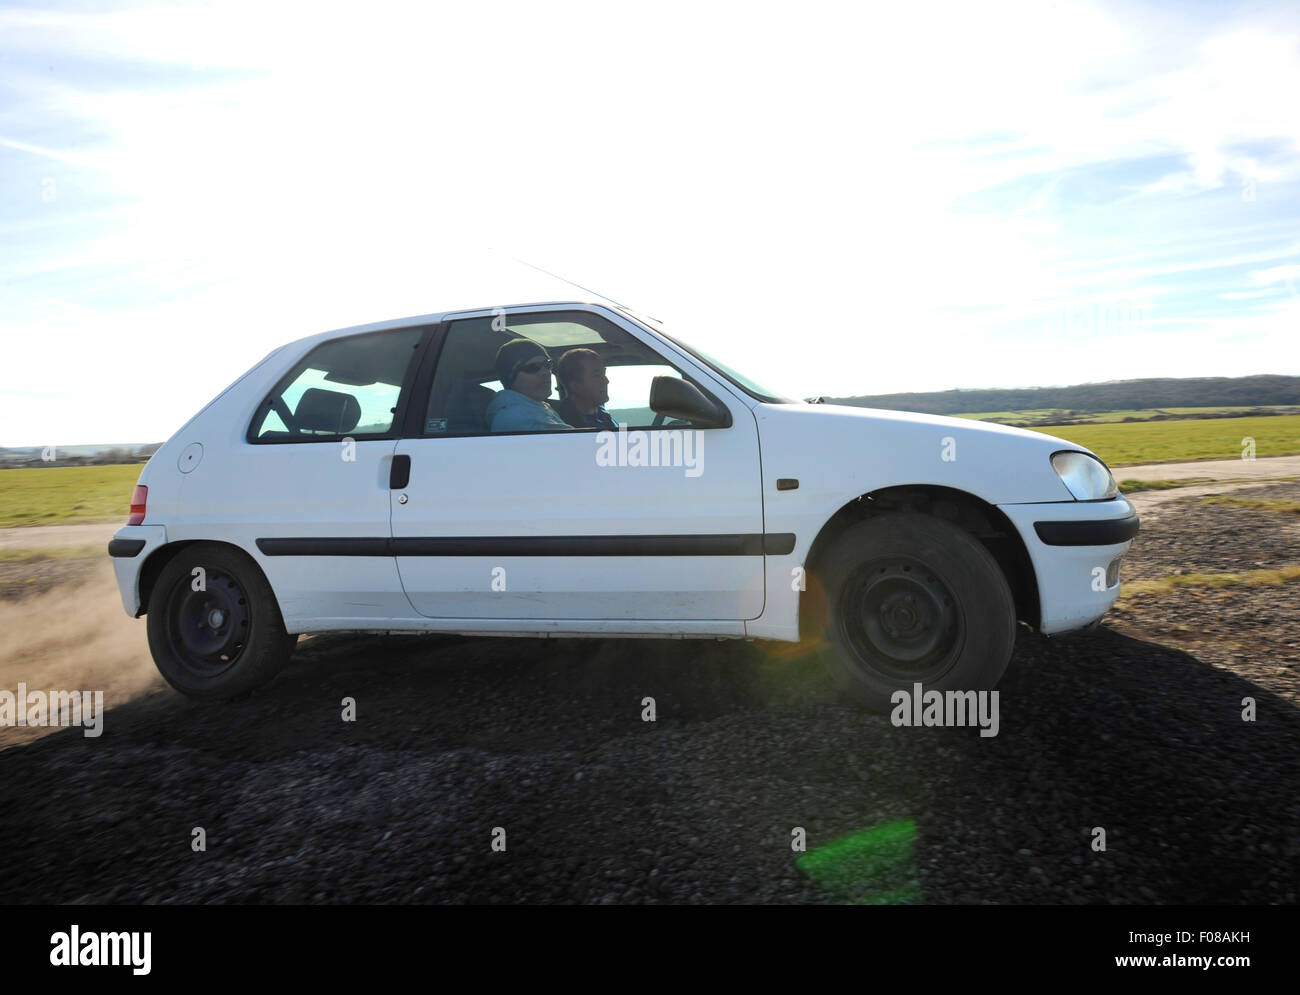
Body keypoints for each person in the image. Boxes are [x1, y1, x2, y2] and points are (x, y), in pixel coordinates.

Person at [485, 338, 573, 432]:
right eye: (532, 367)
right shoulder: (516, 417)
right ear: (511, 377)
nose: (546, 372)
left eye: (547, 365)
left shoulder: (536, 408)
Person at [552, 348, 618, 430]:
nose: (606, 381)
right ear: (576, 386)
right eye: (597, 376)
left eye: (603, 373)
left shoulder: (602, 413)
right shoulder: (564, 426)